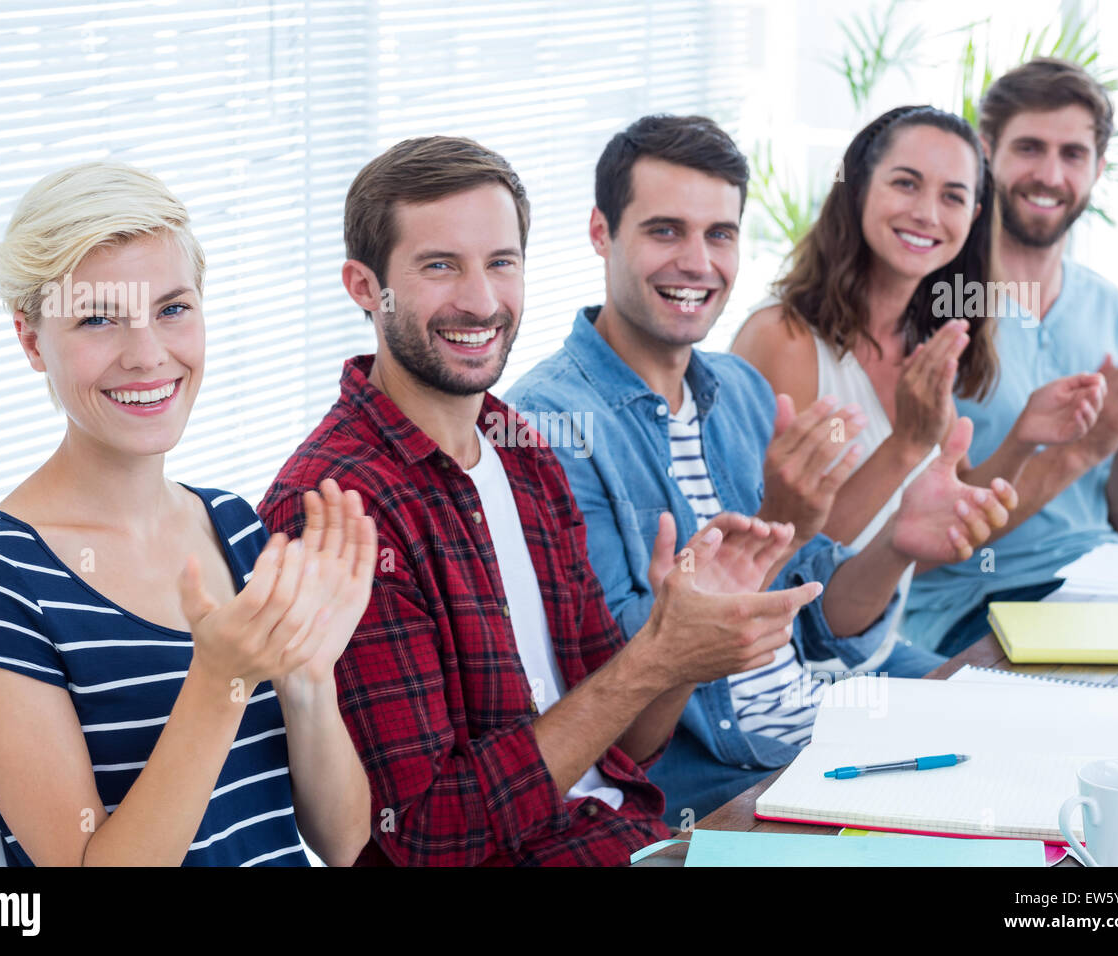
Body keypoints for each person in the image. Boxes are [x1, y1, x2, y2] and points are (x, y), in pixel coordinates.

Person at [258, 135, 828, 865]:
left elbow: (624, 744)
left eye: (502, 263)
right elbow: (428, 837)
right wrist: (653, 658)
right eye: (440, 266)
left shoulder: (522, 448)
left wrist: (682, 642)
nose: (481, 300)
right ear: (366, 287)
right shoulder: (335, 506)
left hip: (640, 843)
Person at [506, 114, 1018, 822]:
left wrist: (900, 538)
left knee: (1028, 777)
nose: (697, 262)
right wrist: (779, 521)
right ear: (601, 232)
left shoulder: (740, 392)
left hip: (820, 737)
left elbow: (818, 625)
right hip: (714, 778)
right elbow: (615, 695)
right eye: (665, 231)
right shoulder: (546, 424)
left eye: (719, 235)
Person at [0, 162, 375, 866]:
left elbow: (344, 840)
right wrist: (218, 679)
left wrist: (308, 678)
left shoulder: (232, 527)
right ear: (29, 339)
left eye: (172, 309)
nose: (147, 355)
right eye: (98, 318)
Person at [732, 105, 1105, 656]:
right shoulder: (784, 339)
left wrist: (1025, 437)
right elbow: (785, 556)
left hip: (873, 646)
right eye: (906, 184)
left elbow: (939, 523)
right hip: (788, 661)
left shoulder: (926, 338)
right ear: (857, 187)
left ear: (974, 216)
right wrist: (906, 444)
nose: (928, 213)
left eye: (952, 196)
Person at [901, 60, 1118, 655]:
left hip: (1107, 581)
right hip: (981, 601)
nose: (1050, 174)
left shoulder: (1106, 303)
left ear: (1097, 168)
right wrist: (1086, 440)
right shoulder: (935, 307)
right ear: (986, 154)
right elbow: (910, 541)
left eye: (1073, 154)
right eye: (1030, 147)